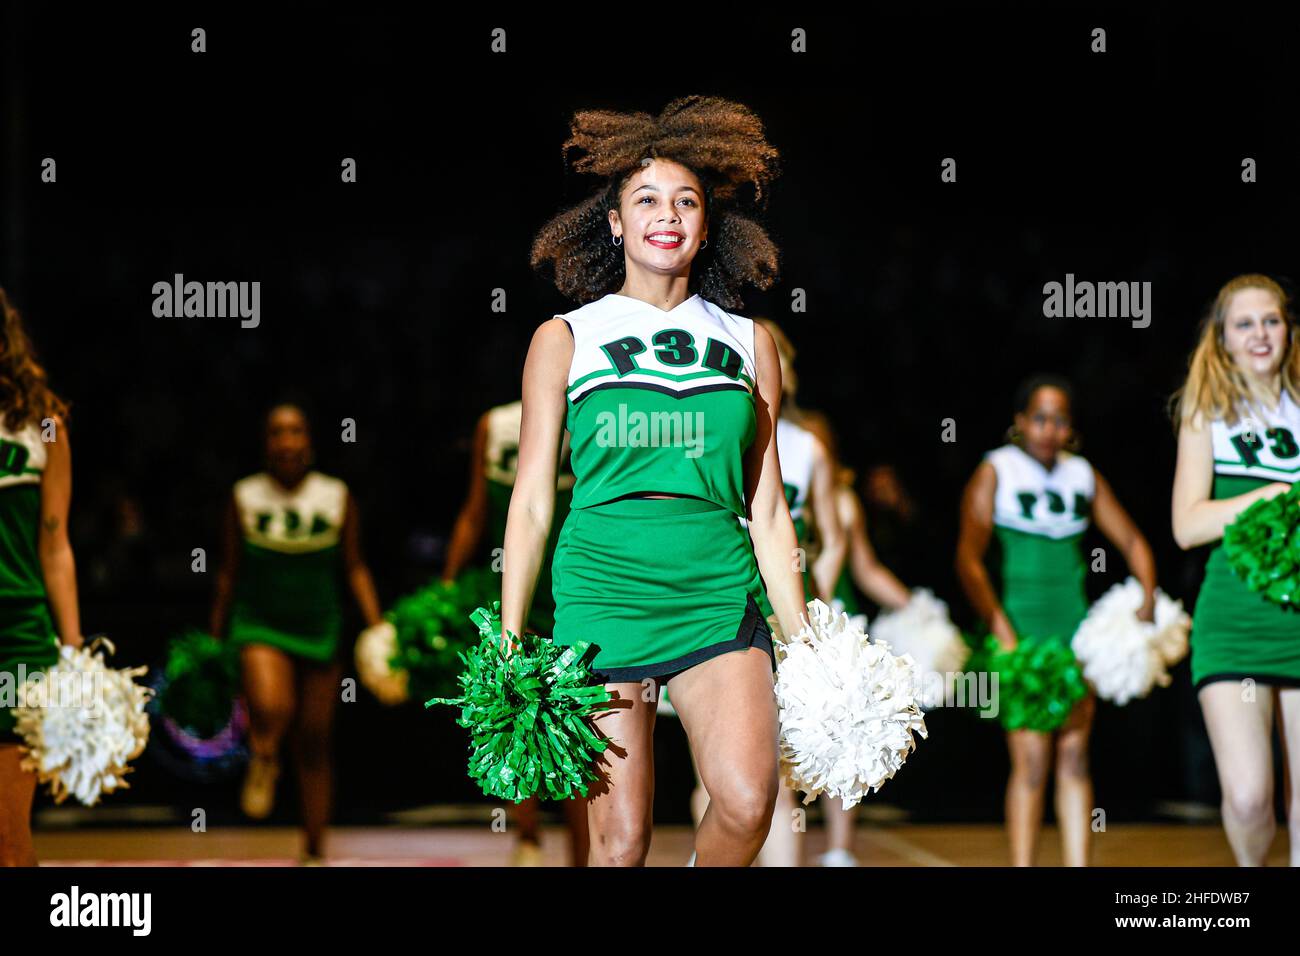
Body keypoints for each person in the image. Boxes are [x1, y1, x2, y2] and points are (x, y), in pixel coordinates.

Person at [512, 95, 807, 866]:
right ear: (614, 222)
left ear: (707, 224)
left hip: (715, 584)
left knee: (746, 803)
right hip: (604, 589)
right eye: (645, 200)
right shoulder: (567, 336)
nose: (666, 214)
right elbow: (535, 497)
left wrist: (802, 635)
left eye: (686, 201)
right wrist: (513, 635)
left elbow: (768, 508)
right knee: (619, 846)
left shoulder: (749, 341)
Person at [955, 374, 1158, 866]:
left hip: (1075, 637)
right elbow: (968, 558)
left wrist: (1148, 593)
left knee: (1073, 758)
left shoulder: (1081, 475)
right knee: (1030, 763)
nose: (1049, 428)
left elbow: (1131, 539)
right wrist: (1000, 628)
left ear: (1070, 427)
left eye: (1060, 419)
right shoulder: (995, 470)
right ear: (1021, 422)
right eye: (1039, 417)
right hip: (1020, 637)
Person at [210, 402, 383, 864]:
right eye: (276, 432)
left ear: (309, 441)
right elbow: (228, 572)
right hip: (260, 623)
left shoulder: (336, 495)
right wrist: (214, 635)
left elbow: (355, 566)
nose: (286, 441)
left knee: (313, 741)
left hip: (319, 628)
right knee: (272, 706)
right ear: (266, 443)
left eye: (296, 431)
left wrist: (379, 627)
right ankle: (264, 753)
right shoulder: (243, 495)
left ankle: (313, 849)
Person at [1170, 273, 1300, 866]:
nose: (1260, 334)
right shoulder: (1207, 414)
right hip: (1233, 622)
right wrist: (1270, 493)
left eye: (1271, 320)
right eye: (1244, 324)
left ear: (1288, 329)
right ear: (1222, 339)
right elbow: (1187, 525)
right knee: (1251, 800)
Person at [442, 398, 589, 866]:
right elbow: (475, 507)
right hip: (515, 583)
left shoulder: (594, 411)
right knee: (516, 711)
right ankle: (527, 839)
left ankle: (582, 853)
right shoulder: (495, 423)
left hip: (578, 584)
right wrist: (447, 585)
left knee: (579, 724)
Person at [0, 287, 83, 867]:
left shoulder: (43, 424)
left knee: (9, 834)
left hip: (17, 640)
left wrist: (75, 656)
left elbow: (55, 545)